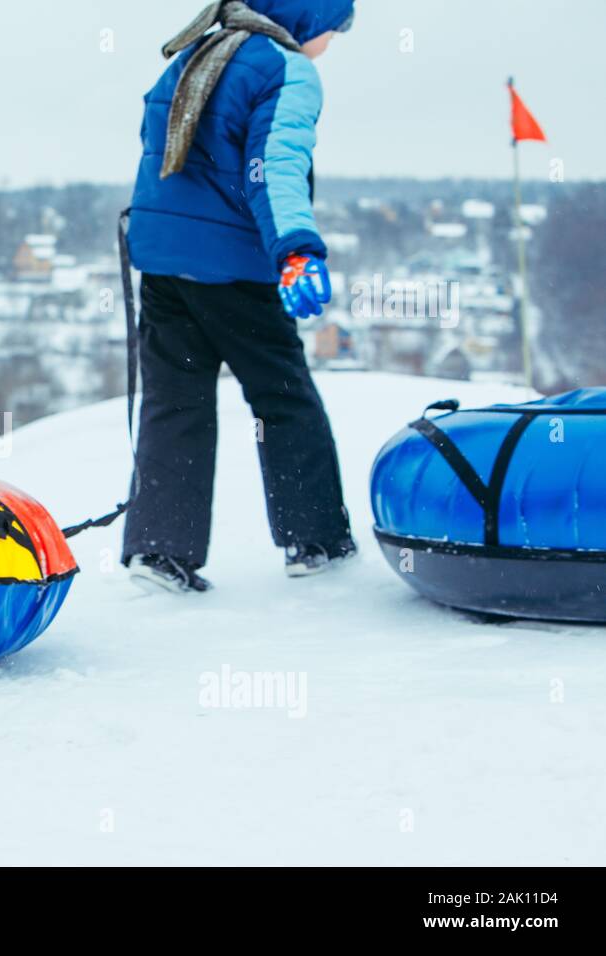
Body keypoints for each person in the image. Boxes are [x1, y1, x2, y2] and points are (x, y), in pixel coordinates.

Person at [122, 0, 358, 594]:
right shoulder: (285, 67)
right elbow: (274, 167)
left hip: (164, 265)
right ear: (307, 18)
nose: (334, 40)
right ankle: (316, 540)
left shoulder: (196, 50)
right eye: (336, 26)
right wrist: (296, 250)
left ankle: (160, 552)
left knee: (175, 403)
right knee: (284, 401)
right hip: (236, 271)